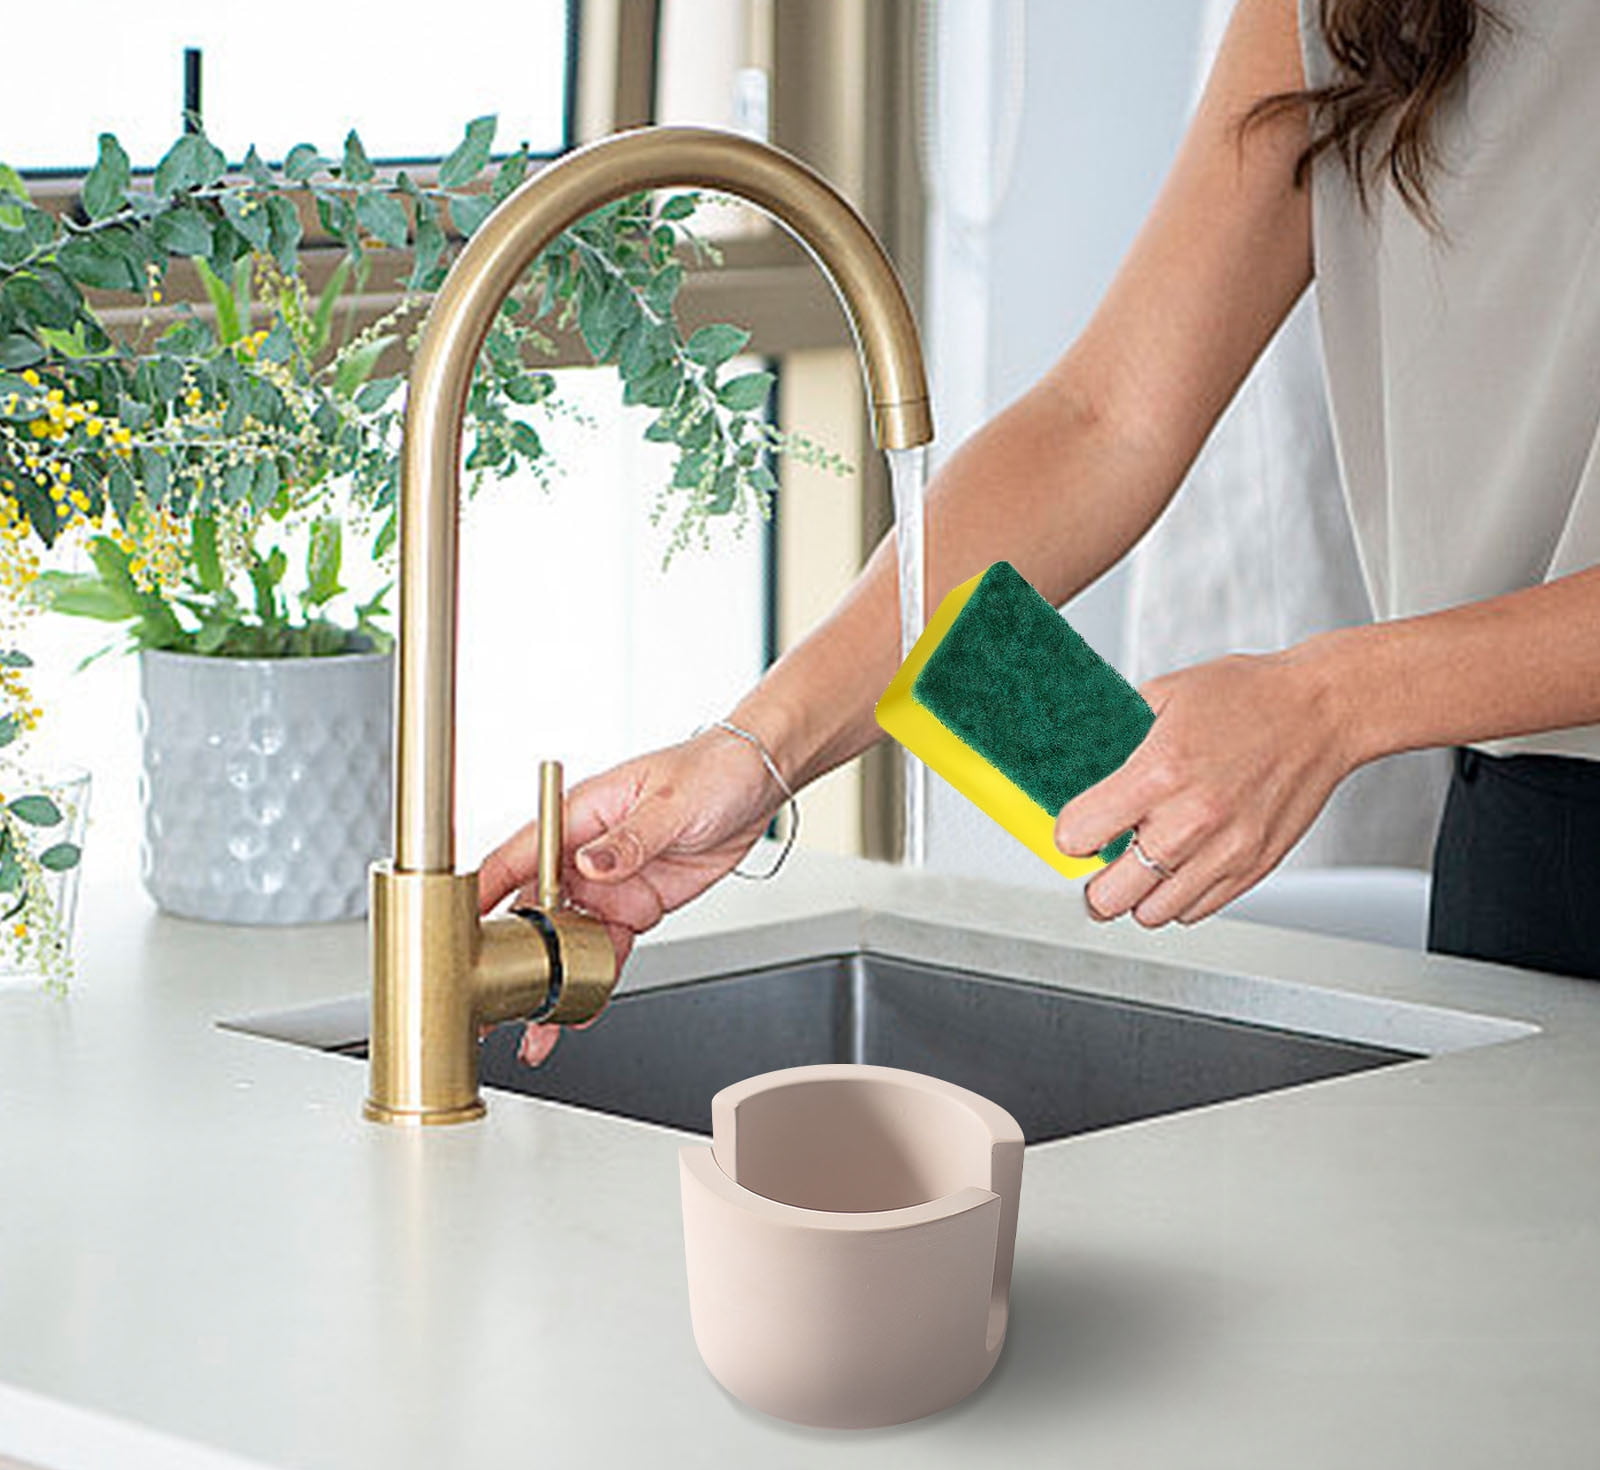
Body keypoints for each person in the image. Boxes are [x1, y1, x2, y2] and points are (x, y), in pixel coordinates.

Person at [481, 0, 1600, 1064]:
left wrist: (1329, 699)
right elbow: (1101, 421)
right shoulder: (1346, 13)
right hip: (1526, 844)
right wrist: (756, 748)